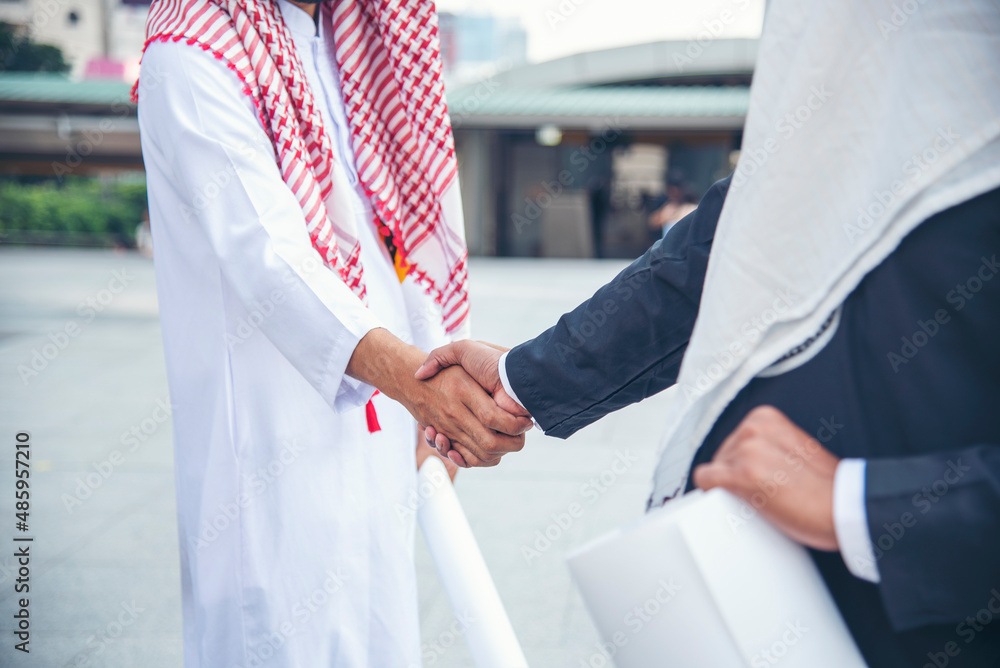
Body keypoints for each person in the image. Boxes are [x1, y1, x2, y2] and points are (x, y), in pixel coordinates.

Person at [415, 1, 1000, 665]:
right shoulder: (866, 99)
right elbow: (735, 239)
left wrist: (862, 506)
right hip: (770, 590)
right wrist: (524, 377)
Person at [134, 0, 530, 665]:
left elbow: (394, 238)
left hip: (382, 427)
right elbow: (271, 260)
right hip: (267, 441)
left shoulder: (349, 44)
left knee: (379, 633)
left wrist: (439, 377)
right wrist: (419, 385)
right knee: (282, 635)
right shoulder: (189, 54)